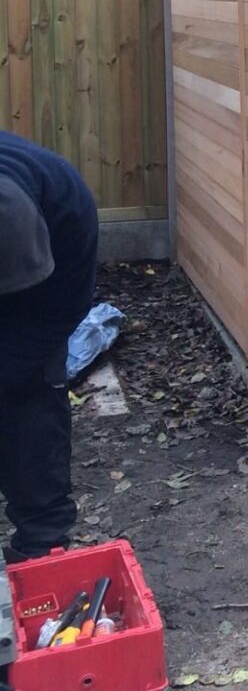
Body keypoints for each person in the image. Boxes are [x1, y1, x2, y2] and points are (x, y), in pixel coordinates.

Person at [0, 131, 98, 562]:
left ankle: (40, 543)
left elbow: (60, 314)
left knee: (31, 396)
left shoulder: (71, 217)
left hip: (45, 297)